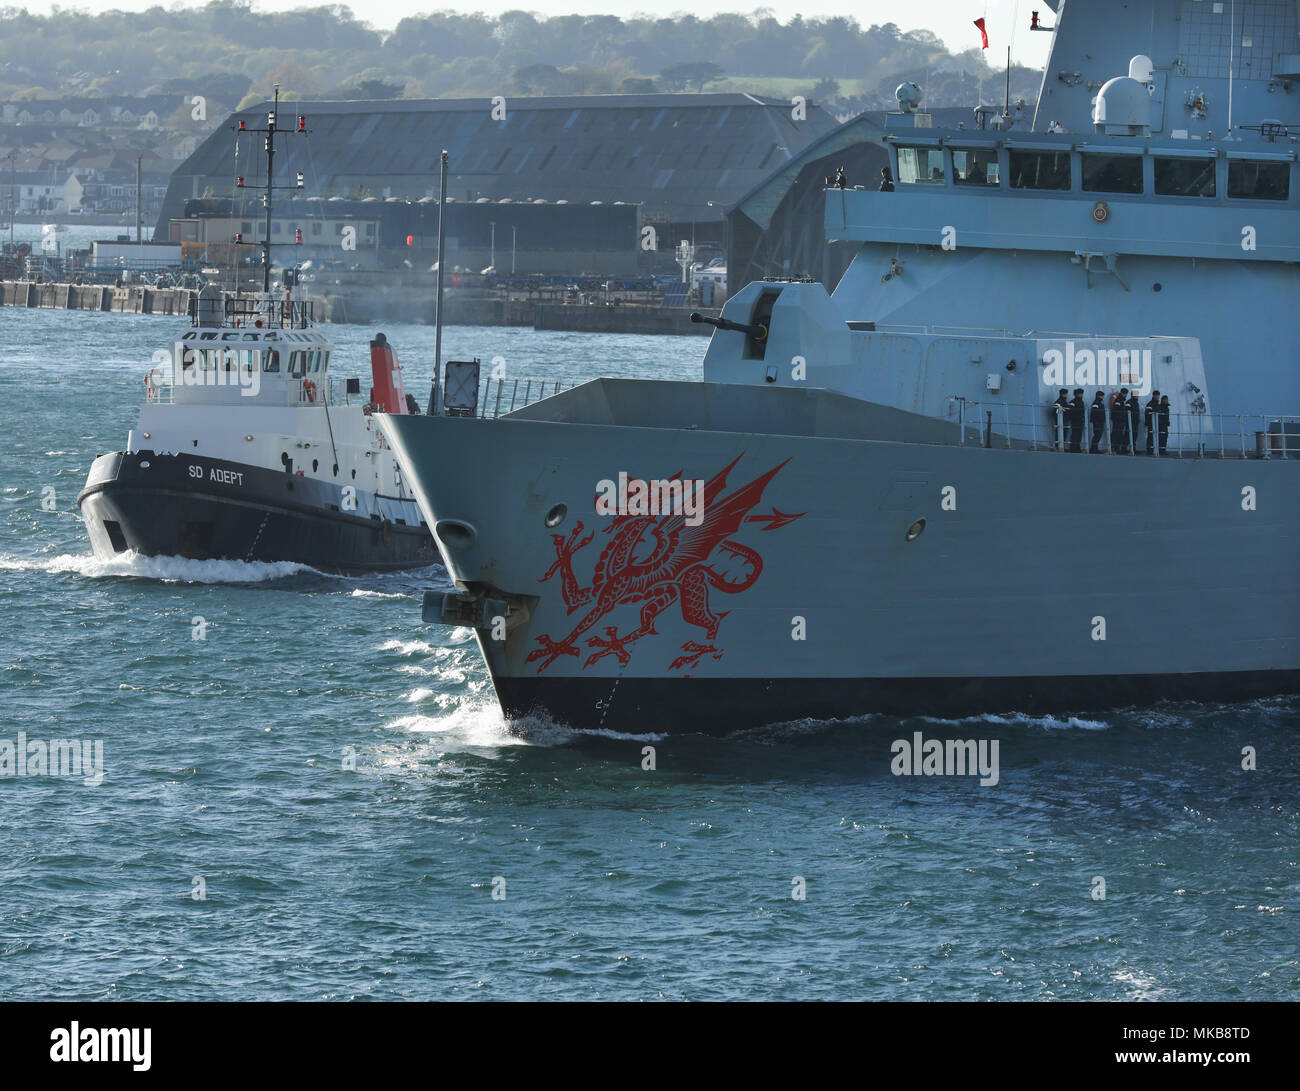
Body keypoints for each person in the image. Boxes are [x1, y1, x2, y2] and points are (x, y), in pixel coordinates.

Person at [1109, 388, 1129, 453]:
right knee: (1116, 433)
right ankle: (1113, 448)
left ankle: (1117, 448)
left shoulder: (1121, 400)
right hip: (1118, 420)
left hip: (1120, 420)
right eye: (1125, 394)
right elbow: (1116, 410)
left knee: (1119, 434)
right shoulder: (1119, 401)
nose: (1125, 395)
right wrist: (1120, 417)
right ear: (1122, 393)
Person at [1145, 389, 1161, 454]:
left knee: (1156, 436)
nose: (1157, 396)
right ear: (1153, 395)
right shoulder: (1150, 404)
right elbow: (1147, 413)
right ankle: (1149, 449)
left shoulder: (1157, 404)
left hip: (1157, 423)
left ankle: (1155, 449)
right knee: (1150, 436)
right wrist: (1148, 422)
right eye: (1156, 395)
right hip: (1151, 423)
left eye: (1158, 395)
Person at [1128, 390, 1141, 454]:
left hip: (1135, 422)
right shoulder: (1129, 402)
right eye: (1136, 395)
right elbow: (1127, 411)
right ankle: (1125, 448)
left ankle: (1133, 448)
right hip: (1131, 422)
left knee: (1134, 436)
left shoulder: (1136, 403)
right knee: (1130, 435)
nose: (1138, 396)